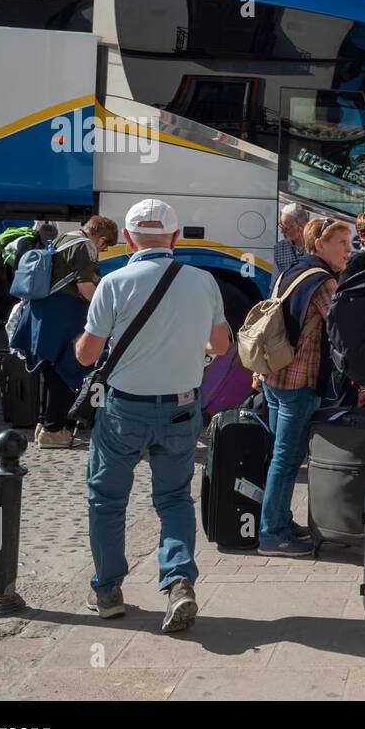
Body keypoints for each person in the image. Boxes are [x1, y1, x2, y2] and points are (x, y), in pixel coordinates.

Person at [75, 199, 230, 633]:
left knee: (107, 500)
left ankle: (107, 591)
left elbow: (88, 355)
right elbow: (220, 347)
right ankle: (179, 583)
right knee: (175, 498)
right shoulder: (204, 282)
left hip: (124, 409)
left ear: (126, 239)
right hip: (181, 407)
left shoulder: (114, 282)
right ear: (176, 239)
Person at [258, 218, 353, 556]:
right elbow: (343, 328)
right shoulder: (323, 281)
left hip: (274, 376)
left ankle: (280, 520)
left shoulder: (292, 271)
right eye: (341, 242)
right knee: (286, 460)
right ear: (320, 245)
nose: (348, 248)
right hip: (299, 381)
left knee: (279, 457)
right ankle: (271, 534)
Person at [11, 216, 119, 448]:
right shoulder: (84, 246)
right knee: (67, 369)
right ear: (100, 238)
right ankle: (54, 430)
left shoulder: (63, 238)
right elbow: (86, 287)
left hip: (44, 312)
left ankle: (45, 424)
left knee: (48, 369)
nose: (104, 250)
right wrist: (108, 313)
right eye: (105, 245)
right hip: (64, 315)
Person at [275, 203, 309, 275]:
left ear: (300, 227)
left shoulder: (317, 248)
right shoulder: (280, 249)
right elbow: (275, 282)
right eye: (281, 226)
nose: (282, 231)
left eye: (285, 228)